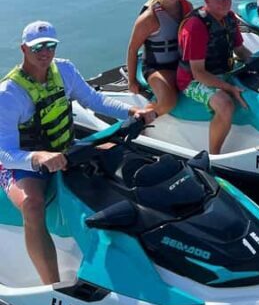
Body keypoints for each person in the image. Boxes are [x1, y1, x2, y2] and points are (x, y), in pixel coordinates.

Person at [0, 21, 156, 285]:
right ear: (24, 49)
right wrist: (37, 158)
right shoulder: (9, 94)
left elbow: (94, 100)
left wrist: (132, 112)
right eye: (37, 47)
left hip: (65, 150)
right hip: (23, 163)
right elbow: (4, 152)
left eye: (50, 46)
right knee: (33, 206)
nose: (45, 52)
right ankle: (51, 285)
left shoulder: (64, 69)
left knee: (123, 158)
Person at [177, 0, 252, 155]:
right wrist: (229, 88)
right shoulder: (196, 26)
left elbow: (240, 50)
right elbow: (198, 73)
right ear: (207, 1)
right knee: (225, 104)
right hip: (193, 80)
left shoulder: (230, 18)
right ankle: (214, 155)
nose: (226, 3)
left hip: (223, 70)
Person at [126, 0, 193, 115]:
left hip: (181, 63)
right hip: (156, 67)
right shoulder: (149, 18)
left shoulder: (187, 7)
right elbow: (132, 49)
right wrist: (132, 82)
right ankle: (142, 117)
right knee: (169, 102)